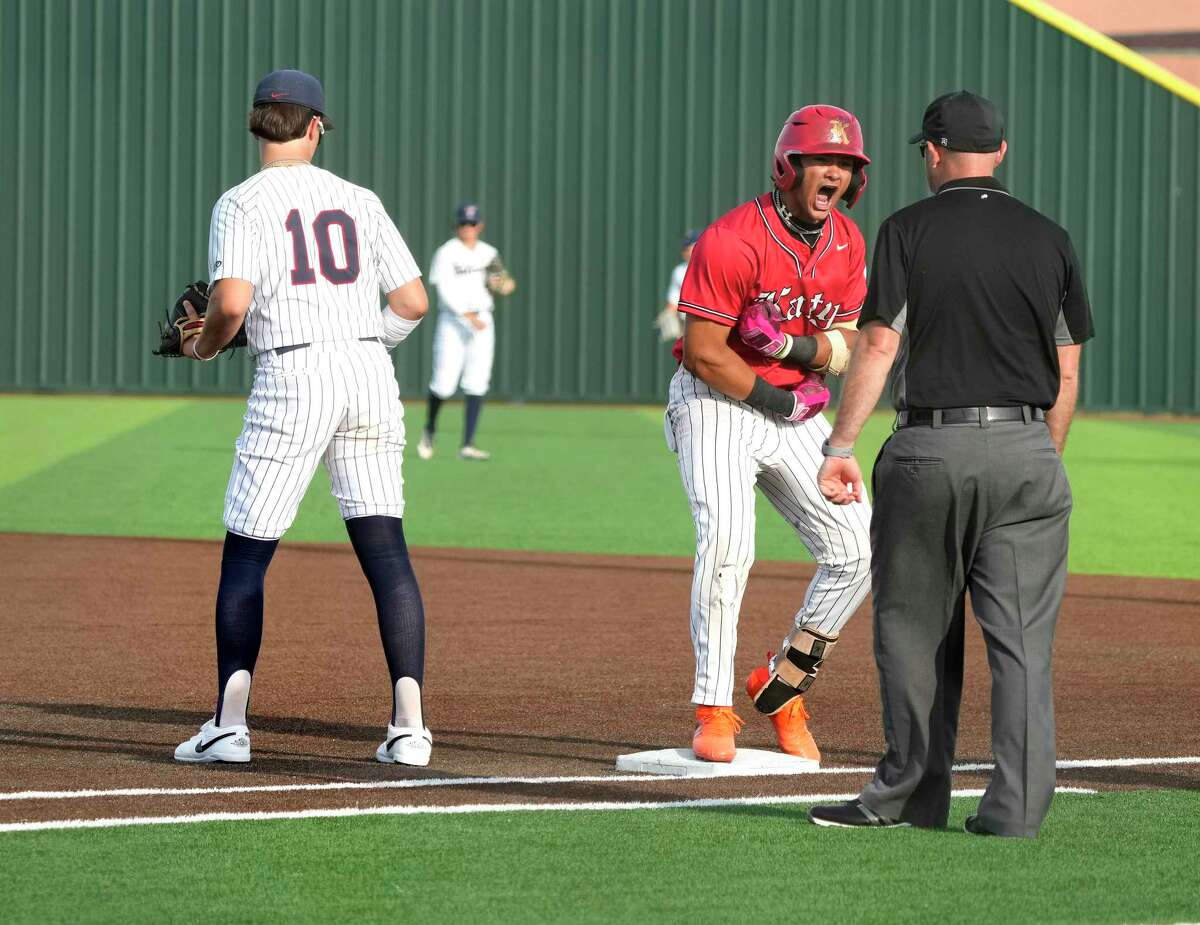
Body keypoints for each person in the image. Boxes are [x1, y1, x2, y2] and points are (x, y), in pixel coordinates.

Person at [807, 91, 1093, 836]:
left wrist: (840, 446)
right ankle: (1017, 810)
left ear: (932, 153)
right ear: (1000, 152)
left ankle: (910, 797)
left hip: (932, 448)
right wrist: (1038, 457)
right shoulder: (1050, 237)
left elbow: (877, 343)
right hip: (1028, 448)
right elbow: (1067, 369)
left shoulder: (908, 229)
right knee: (1024, 644)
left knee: (913, 631)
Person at [172, 69, 435, 768]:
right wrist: (365, 342)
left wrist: (202, 346)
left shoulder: (242, 201)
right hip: (367, 371)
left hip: (292, 370)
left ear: (258, 123)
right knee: (385, 549)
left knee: (249, 550)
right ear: (315, 127)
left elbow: (230, 304)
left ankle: (229, 727)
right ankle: (408, 728)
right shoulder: (359, 198)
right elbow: (411, 300)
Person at [666, 106, 874, 764]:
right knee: (728, 541)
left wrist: (792, 345)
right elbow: (703, 351)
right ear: (790, 166)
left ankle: (781, 683)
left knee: (860, 547)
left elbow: (848, 345)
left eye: (845, 164)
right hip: (716, 399)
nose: (835, 173)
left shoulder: (848, 242)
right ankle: (713, 706)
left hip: (788, 402)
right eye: (823, 160)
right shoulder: (732, 238)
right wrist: (778, 396)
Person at [417, 203, 514, 462]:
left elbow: (502, 280)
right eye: (463, 224)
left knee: (477, 380)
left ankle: (468, 444)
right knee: (444, 383)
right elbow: (444, 290)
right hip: (454, 321)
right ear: (456, 226)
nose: (467, 228)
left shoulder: (488, 253)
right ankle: (430, 429)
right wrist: (467, 316)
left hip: (483, 319)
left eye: (472, 224)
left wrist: (504, 284)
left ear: (480, 226)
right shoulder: (447, 253)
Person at [655, 230, 700, 342]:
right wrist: (668, 314)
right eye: (684, 249)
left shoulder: (712, 267)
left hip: (712, 322)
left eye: (688, 247)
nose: (685, 252)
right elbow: (674, 301)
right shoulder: (679, 271)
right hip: (688, 324)